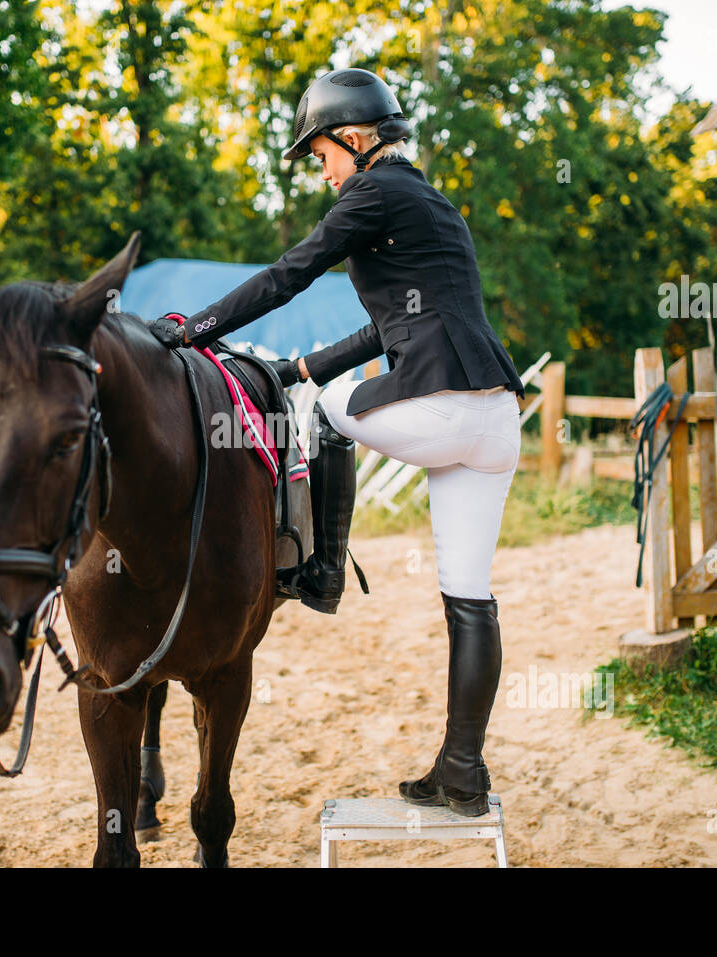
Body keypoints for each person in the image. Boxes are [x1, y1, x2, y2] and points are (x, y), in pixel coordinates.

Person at [147, 68, 524, 817]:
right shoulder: (429, 201)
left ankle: (318, 569)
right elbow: (386, 329)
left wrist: (192, 329)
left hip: (441, 403)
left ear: (354, 139)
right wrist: (295, 366)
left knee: (322, 409)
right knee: (469, 595)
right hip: (495, 420)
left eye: (321, 156)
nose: (322, 173)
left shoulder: (373, 192)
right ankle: (461, 770)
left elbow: (288, 275)